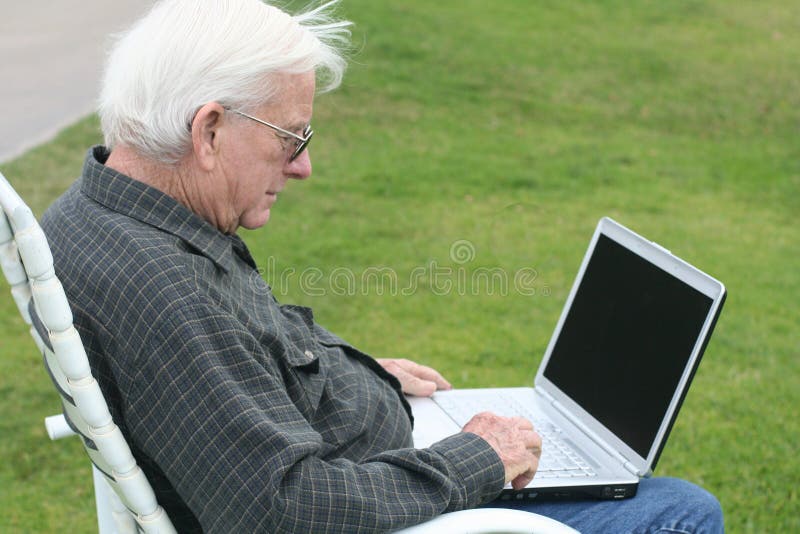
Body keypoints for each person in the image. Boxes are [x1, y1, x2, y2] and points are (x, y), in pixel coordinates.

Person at [41, 1, 723, 532]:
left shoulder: (106, 212)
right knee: (680, 511)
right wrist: (478, 459)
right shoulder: (166, 287)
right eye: (290, 137)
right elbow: (283, 513)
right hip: (383, 510)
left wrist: (365, 376)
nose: (303, 166)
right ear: (209, 131)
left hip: (365, 457)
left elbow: (237, 364)